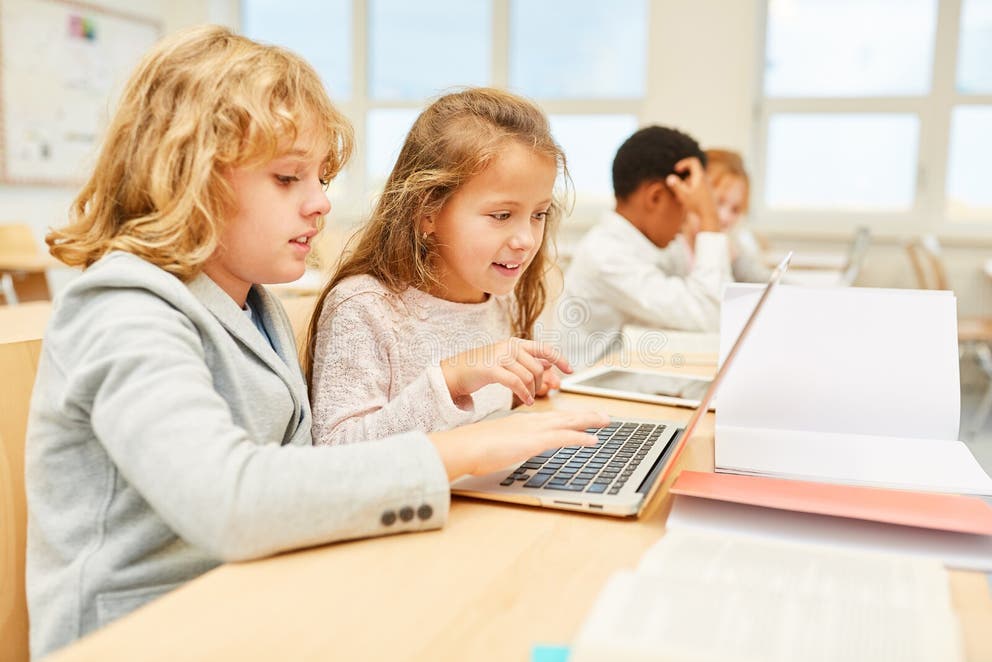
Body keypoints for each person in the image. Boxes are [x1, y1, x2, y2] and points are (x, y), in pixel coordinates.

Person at [24, 26, 607, 657]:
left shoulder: (253, 303)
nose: (321, 203)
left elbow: (306, 473)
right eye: (287, 179)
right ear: (187, 175)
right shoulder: (121, 308)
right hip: (149, 633)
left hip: (261, 596)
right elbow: (229, 501)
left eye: (322, 179)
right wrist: (460, 449)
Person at [305, 88, 571, 446]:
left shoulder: (501, 299)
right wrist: (451, 380)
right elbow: (337, 449)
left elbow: (479, 419)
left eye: (538, 214)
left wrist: (525, 384)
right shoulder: (364, 307)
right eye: (502, 215)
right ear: (427, 212)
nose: (526, 239)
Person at [558, 125, 731, 368]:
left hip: (636, 371)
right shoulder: (605, 255)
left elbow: (717, 314)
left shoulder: (661, 244)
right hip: (590, 388)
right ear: (656, 197)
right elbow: (711, 315)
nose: (687, 217)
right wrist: (708, 218)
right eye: (686, 205)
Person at [682, 148, 770, 283]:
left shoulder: (731, 246)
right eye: (717, 202)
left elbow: (767, 282)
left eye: (735, 210)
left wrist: (735, 261)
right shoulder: (673, 249)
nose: (725, 217)